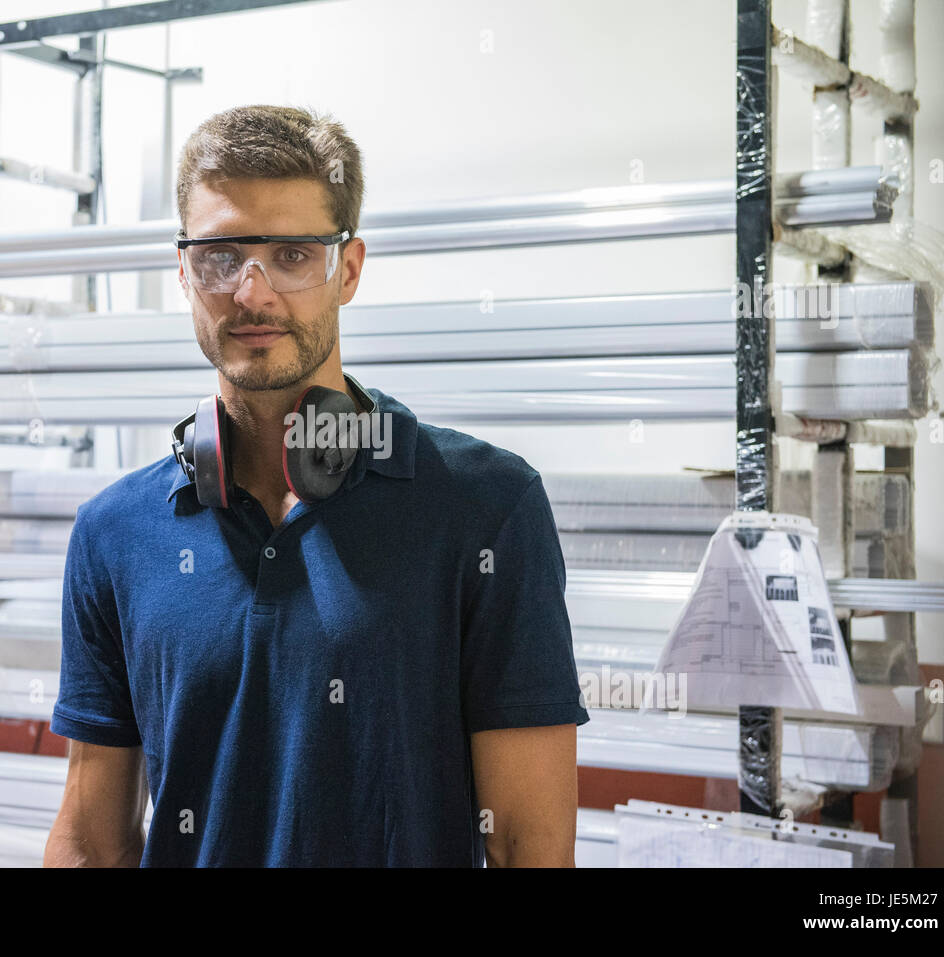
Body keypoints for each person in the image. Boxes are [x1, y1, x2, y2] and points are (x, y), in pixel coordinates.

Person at [43, 104, 588, 867]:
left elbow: (529, 846)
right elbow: (88, 837)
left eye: (293, 255)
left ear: (349, 269)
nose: (252, 293)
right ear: (183, 270)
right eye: (220, 256)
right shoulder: (113, 532)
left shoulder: (486, 508)